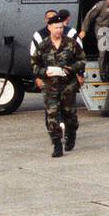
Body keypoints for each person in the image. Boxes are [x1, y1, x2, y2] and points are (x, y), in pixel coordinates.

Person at [31, 14, 86, 157]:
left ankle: (71, 135)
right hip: (50, 87)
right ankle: (56, 144)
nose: (59, 30)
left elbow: (82, 60)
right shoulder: (43, 46)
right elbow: (34, 65)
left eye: (61, 27)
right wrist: (43, 72)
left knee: (70, 116)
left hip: (68, 86)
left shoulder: (71, 43)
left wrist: (72, 69)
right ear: (49, 28)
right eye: (56, 28)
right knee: (52, 116)